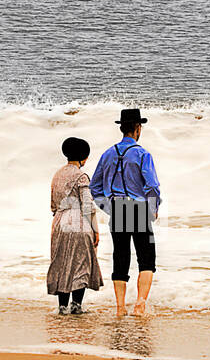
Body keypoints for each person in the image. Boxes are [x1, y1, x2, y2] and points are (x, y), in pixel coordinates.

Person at [90, 108, 162, 316]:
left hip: (118, 209)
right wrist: (153, 208)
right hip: (138, 208)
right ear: (138, 128)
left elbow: (95, 186)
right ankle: (140, 303)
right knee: (146, 259)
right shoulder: (142, 154)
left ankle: (120, 307)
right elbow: (152, 186)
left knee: (120, 258)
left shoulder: (108, 153)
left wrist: (108, 206)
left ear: (122, 128)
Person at [47, 137, 103, 313]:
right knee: (80, 264)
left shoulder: (57, 174)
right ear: (84, 157)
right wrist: (95, 229)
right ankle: (76, 306)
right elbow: (88, 206)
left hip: (59, 222)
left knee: (61, 263)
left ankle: (62, 307)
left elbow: (53, 205)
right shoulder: (81, 176)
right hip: (78, 222)